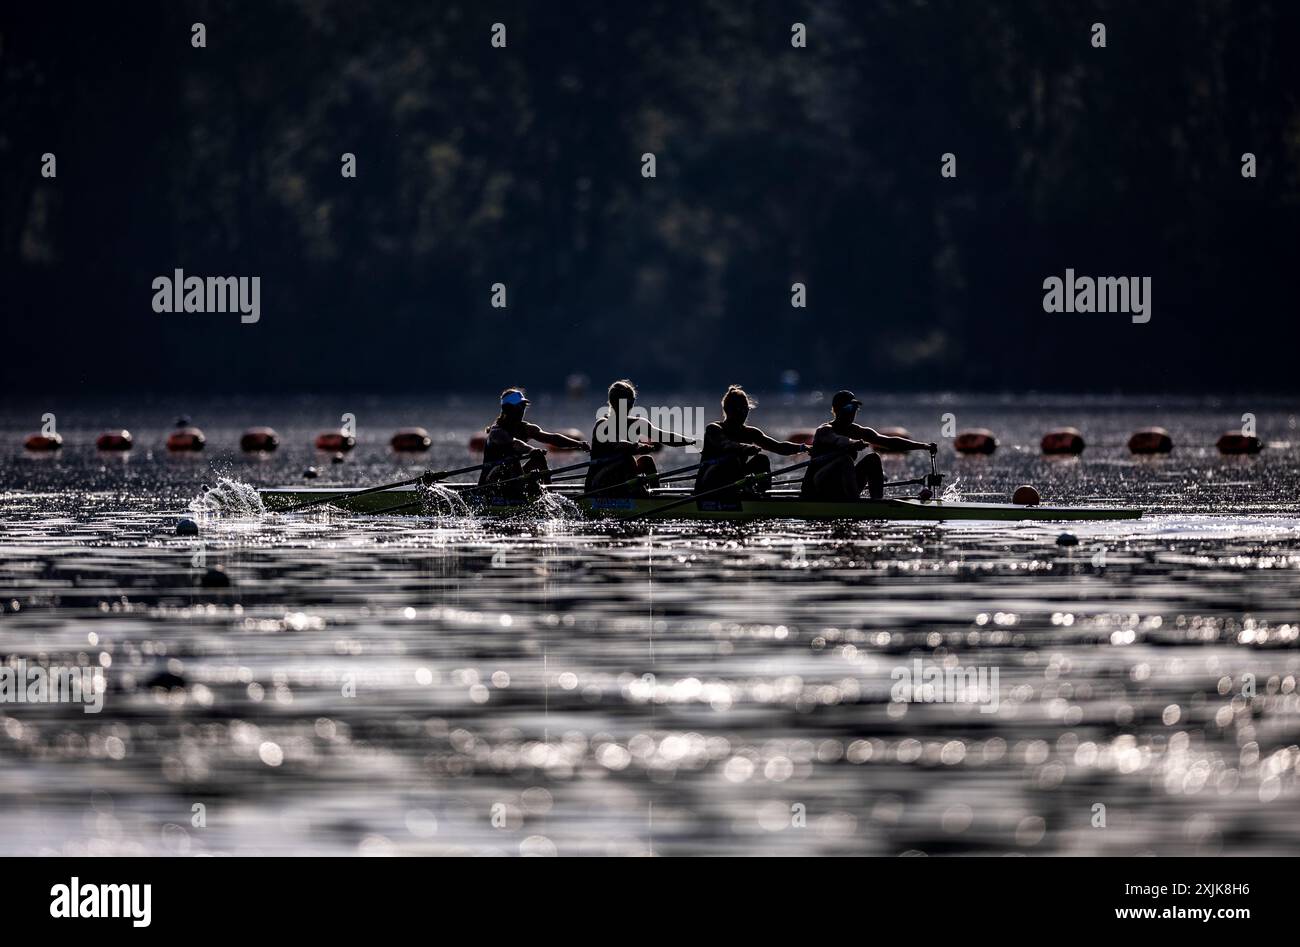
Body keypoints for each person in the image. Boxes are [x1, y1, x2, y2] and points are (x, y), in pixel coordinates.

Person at [801, 390, 937, 500]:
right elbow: (838, 440)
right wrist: (852, 443)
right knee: (845, 460)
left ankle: (876, 503)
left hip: (840, 487)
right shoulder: (824, 430)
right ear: (836, 410)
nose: (853, 411)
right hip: (817, 487)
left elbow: (889, 442)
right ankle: (856, 504)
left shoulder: (857, 431)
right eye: (849, 407)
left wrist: (924, 446)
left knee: (873, 459)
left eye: (855, 407)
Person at [585, 379, 696, 496]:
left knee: (646, 460)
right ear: (614, 402)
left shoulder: (637, 423)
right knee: (628, 460)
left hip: (620, 479)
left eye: (631, 401)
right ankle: (639, 495)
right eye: (626, 401)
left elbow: (665, 436)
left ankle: (655, 497)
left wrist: (692, 441)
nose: (629, 405)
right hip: (597, 484)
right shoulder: (603, 424)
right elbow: (619, 444)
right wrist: (637, 446)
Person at [695, 386, 807, 496]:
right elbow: (726, 445)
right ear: (728, 410)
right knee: (731, 460)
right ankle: (741, 492)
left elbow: (778, 447)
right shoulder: (714, 428)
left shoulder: (750, 432)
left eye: (746, 409)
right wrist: (745, 448)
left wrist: (803, 448)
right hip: (708, 484)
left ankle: (762, 496)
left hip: (733, 480)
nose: (744, 413)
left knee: (762, 459)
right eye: (740, 409)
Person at [480, 388, 589, 496]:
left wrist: (578, 444)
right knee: (512, 460)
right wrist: (531, 450)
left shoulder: (526, 428)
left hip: (512, 478)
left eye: (523, 407)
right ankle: (521, 494)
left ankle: (550, 495)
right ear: (508, 409)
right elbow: (515, 443)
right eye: (519, 407)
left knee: (539, 459)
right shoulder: (497, 432)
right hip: (491, 484)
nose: (522, 410)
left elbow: (552, 438)